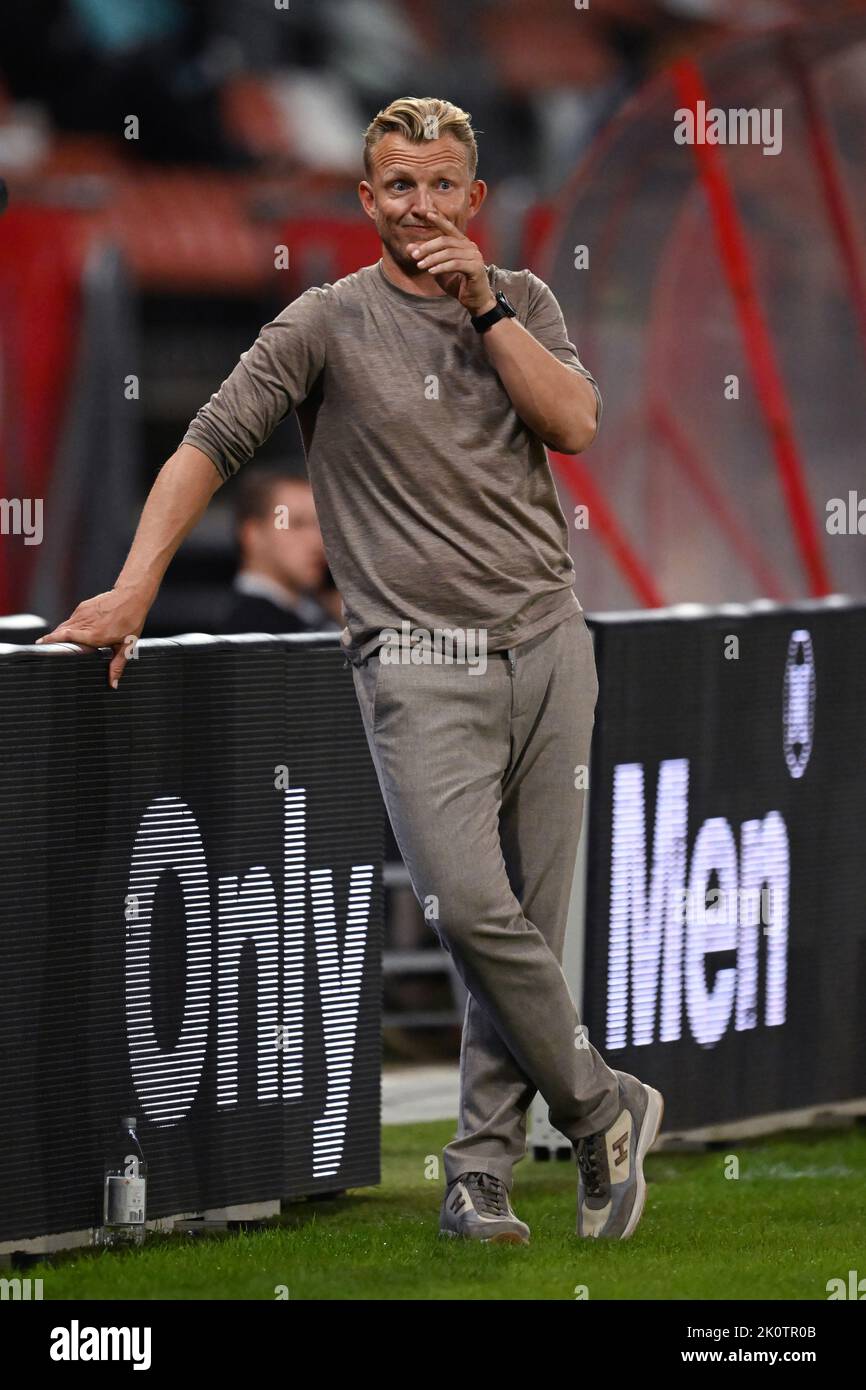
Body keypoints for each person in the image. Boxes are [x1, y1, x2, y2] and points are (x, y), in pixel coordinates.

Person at [37, 95, 663, 1244]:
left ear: (473, 201)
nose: (419, 206)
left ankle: (477, 1174)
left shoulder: (521, 301)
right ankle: (600, 1106)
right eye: (397, 186)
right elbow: (204, 446)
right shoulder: (321, 322)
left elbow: (572, 422)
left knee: (520, 919)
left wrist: (485, 307)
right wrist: (130, 588)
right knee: (472, 910)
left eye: (440, 185)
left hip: (550, 643)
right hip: (415, 661)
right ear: (364, 199)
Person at [218, 466, 338, 635]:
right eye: (297, 523)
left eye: (322, 525)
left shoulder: (315, 613)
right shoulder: (251, 632)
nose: (318, 540)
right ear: (252, 534)